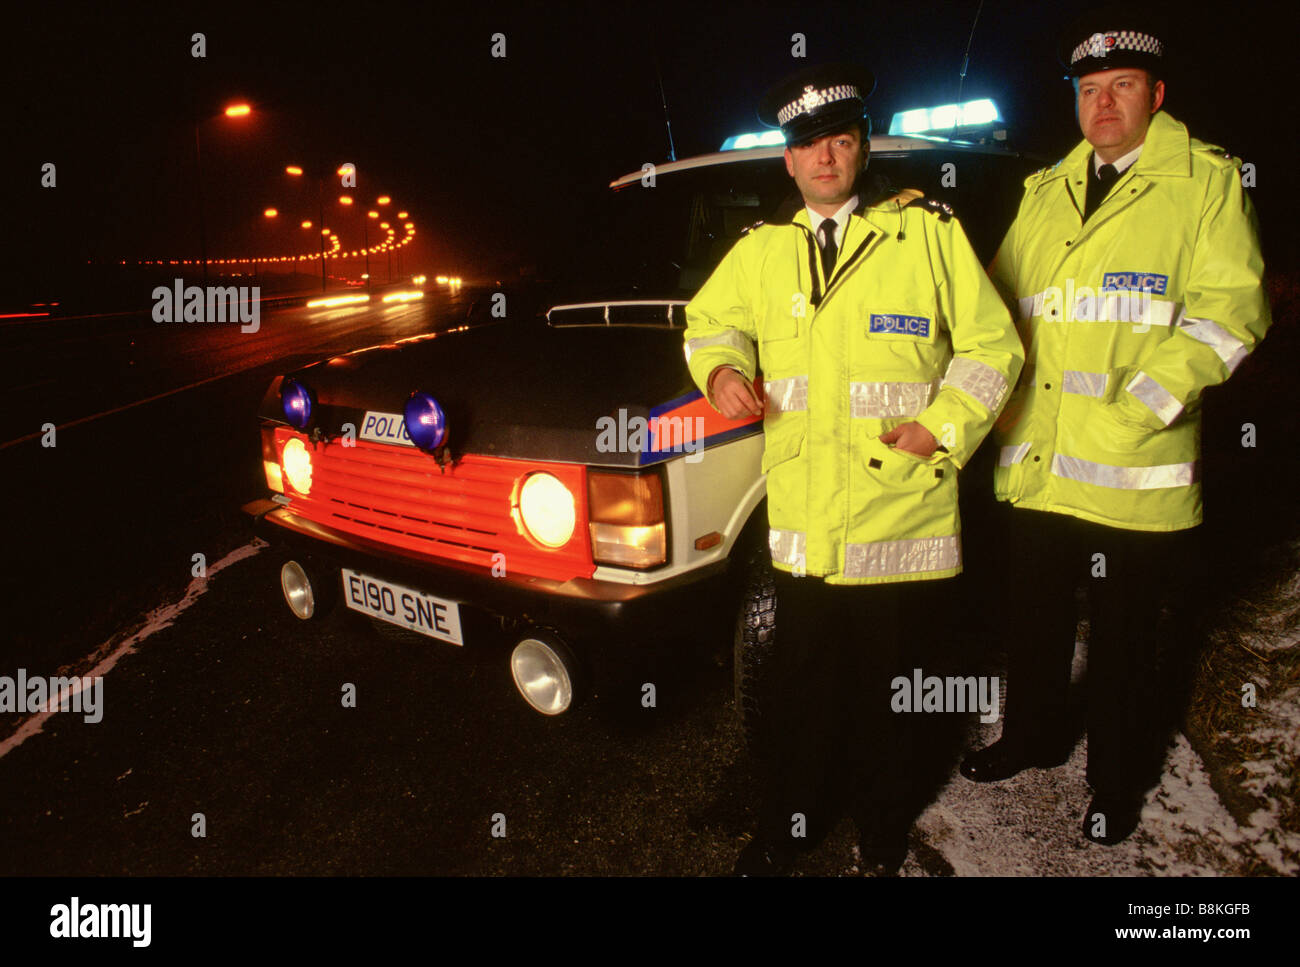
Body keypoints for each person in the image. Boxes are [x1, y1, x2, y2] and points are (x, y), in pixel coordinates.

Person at [683, 63, 1022, 875]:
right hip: (803, 530)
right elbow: (707, 321)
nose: (825, 157)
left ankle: (881, 827)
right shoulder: (760, 251)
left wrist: (939, 429)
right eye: (808, 144)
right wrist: (721, 370)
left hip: (898, 522)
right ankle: (791, 824)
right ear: (788, 161)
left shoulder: (928, 234)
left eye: (840, 139)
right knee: (802, 700)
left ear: (863, 148)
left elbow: (993, 346)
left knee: (894, 702)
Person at [962, 11, 1272, 846]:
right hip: (1039, 462)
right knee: (1032, 624)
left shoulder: (1203, 182)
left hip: (1132, 468)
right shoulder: (1044, 190)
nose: (1103, 105)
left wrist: (1141, 408)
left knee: (1128, 644)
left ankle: (1113, 783)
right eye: (1089, 90)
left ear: (1155, 95)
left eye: (1121, 87)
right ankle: (1030, 737)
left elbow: (1231, 315)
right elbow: (995, 308)